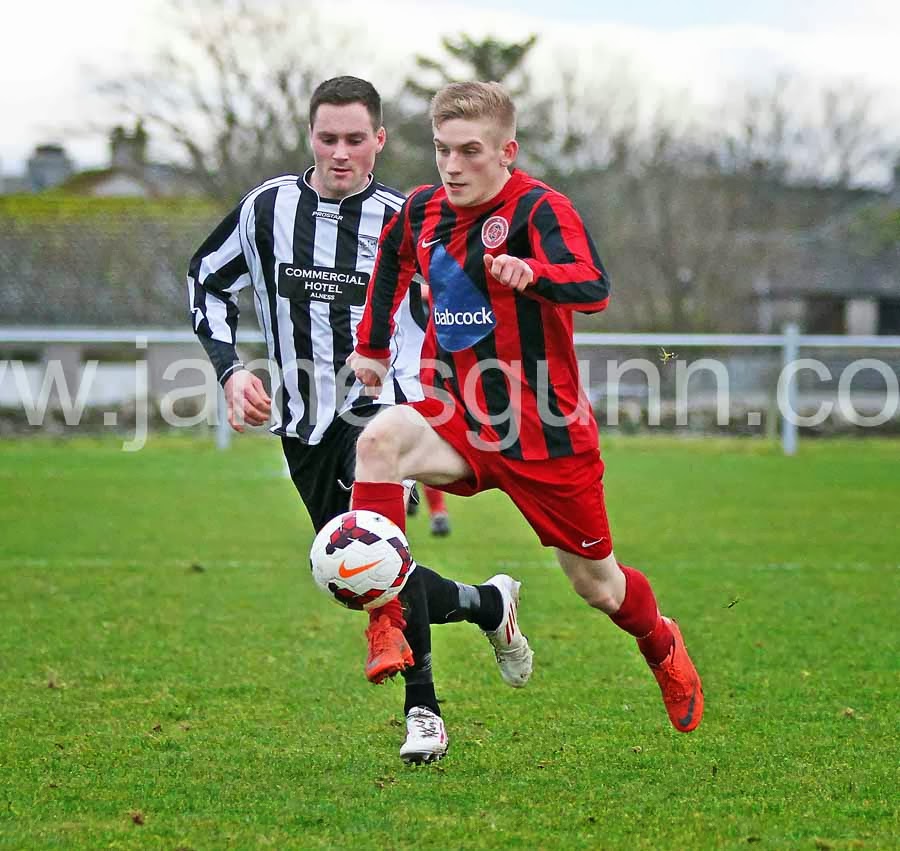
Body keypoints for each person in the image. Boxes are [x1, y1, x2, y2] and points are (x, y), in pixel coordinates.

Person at [348, 81, 704, 753]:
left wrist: (530, 272)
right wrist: (370, 346)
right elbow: (390, 267)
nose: (451, 166)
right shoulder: (421, 210)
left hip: (545, 432)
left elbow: (593, 284)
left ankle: (662, 642)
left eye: (469, 151)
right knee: (379, 441)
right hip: (455, 411)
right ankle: (387, 617)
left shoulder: (540, 208)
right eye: (441, 150)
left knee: (598, 585)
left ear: (507, 151)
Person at [187, 76, 528, 764]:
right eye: (326, 138)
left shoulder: (412, 219)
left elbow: (462, 312)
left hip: (381, 416)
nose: (340, 153)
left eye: (354, 139)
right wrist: (231, 369)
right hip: (302, 422)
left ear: (379, 141)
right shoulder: (266, 211)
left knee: (375, 560)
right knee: (359, 576)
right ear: (311, 137)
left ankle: (424, 710)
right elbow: (205, 280)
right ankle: (488, 605)